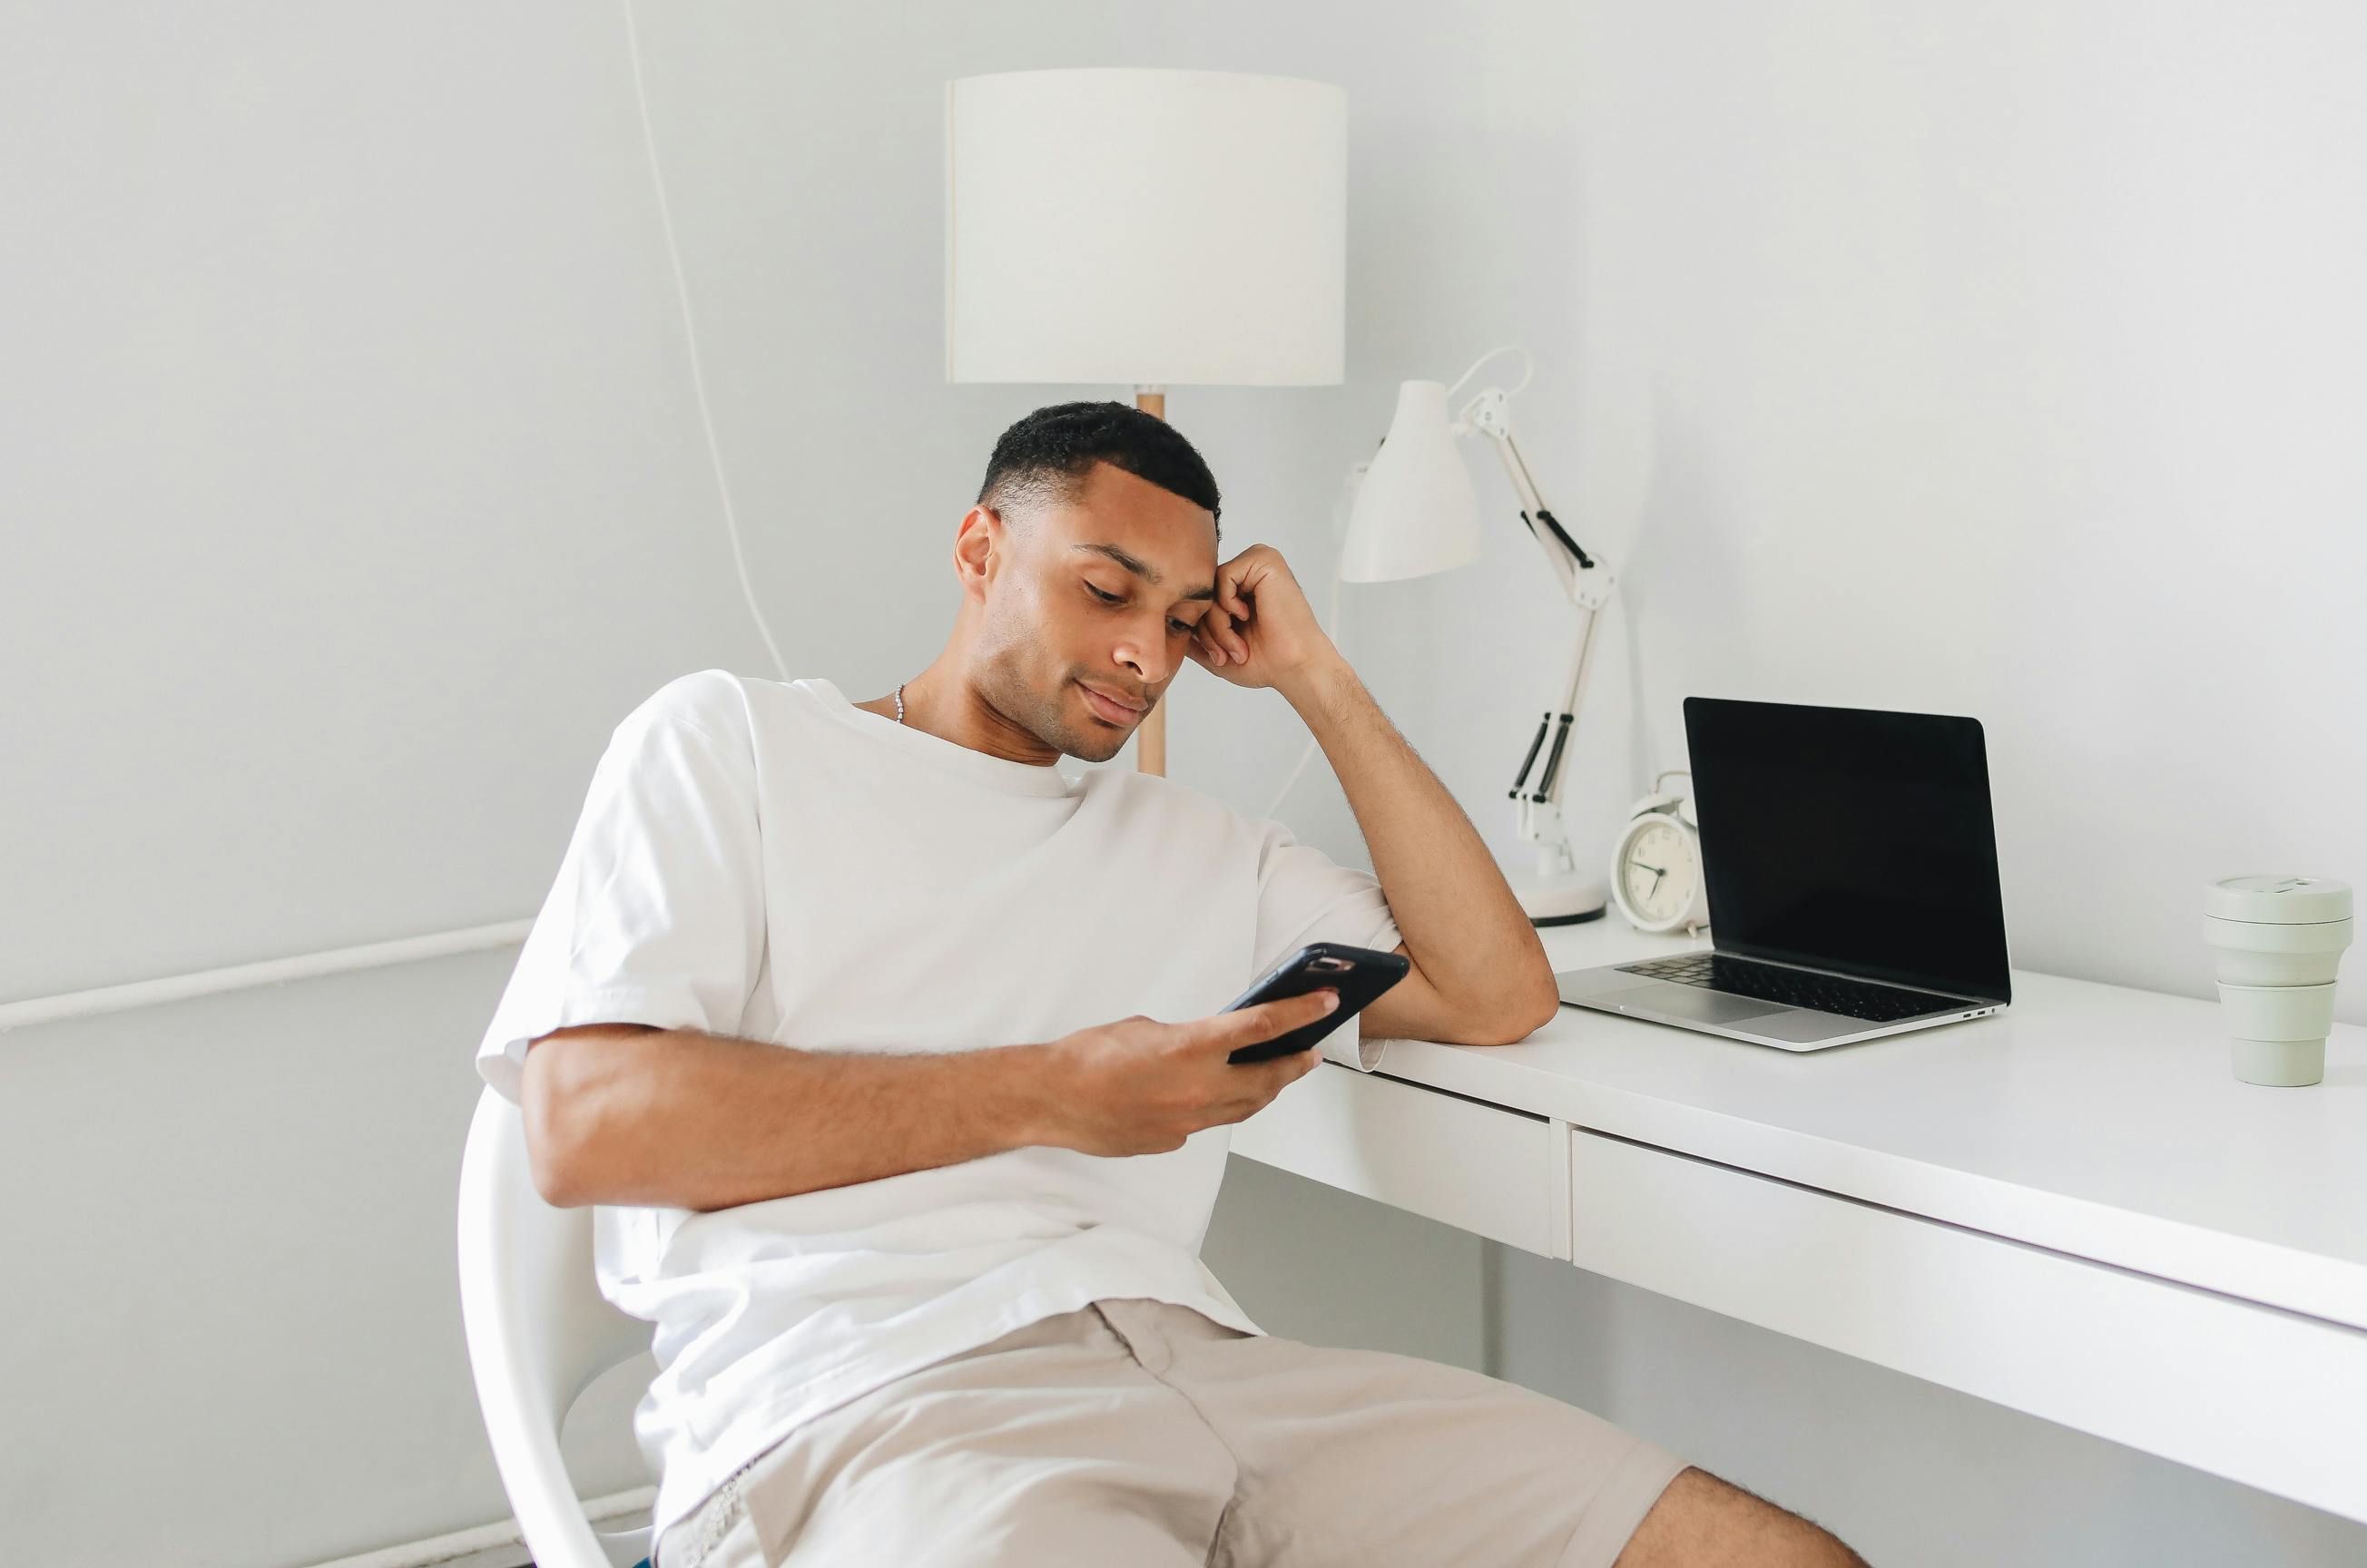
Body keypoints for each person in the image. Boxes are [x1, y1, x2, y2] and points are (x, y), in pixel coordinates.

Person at [474, 401, 1869, 1567]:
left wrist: (1316, 677)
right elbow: (588, 1121)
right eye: (1103, 591)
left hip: (1215, 1374)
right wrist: (1057, 1093)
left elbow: (1498, 992)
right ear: (979, 548)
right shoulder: (734, 745)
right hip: (869, 1403)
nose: (1146, 654)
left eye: (1184, 614)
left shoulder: (1209, 852)